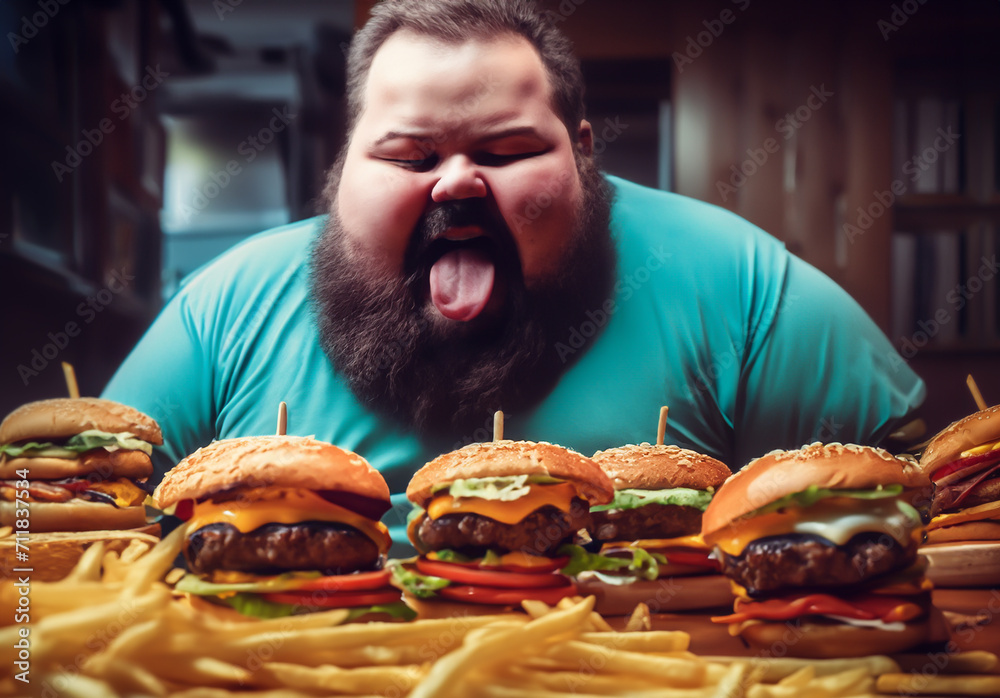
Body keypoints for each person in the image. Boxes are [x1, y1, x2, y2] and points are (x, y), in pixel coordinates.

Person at [102, 0, 925, 542]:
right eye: (409, 155)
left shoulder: (742, 288)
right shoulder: (227, 307)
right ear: (344, 165)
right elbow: (42, 513)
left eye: (506, 151)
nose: (456, 182)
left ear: (585, 154)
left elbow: (926, 498)